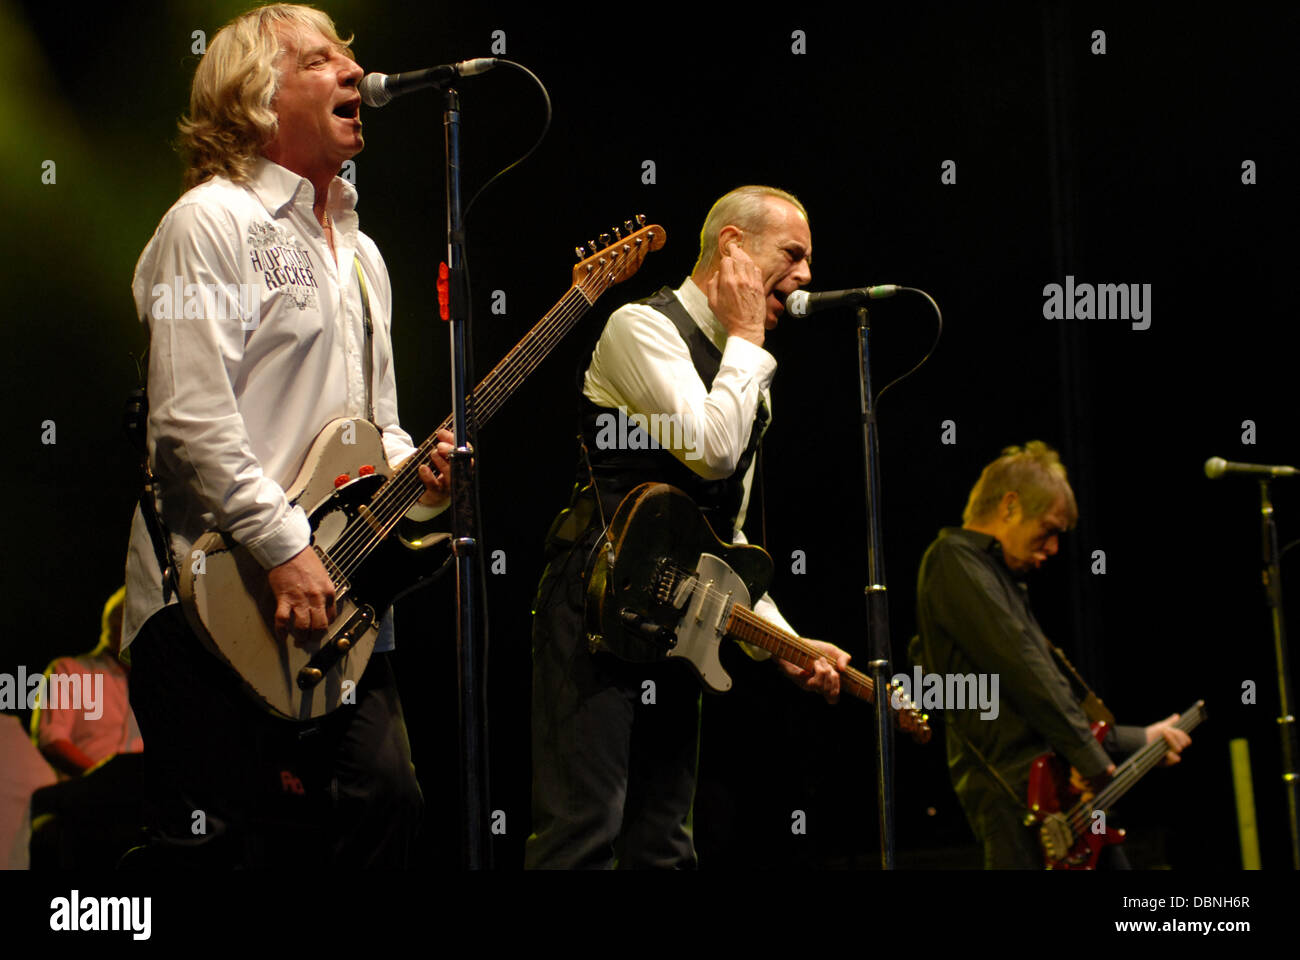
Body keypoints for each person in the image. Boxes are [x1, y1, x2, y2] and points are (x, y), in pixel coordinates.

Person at [123, 3, 453, 867]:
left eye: (351, 57)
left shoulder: (362, 253)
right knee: (222, 843)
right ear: (256, 98)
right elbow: (188, 416)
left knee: (388, 804)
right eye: (320, 61)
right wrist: (281, 546)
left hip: (333, 606)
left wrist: (413, 467)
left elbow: (372, 429)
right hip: (212, 599)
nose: (353, 73)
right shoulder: (211, 221)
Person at [527, 185, 852, 869]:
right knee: (585, 833)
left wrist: (787, 645)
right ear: (734, 245)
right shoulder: (640, 329)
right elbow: (709, 445)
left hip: (672, 620)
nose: (806, 277)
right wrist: (747, 341)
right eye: (793, 255)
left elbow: (723, 542)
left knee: (664, 844)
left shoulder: (747, 370)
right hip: (593, 603)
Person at [911, 441, 1191, 869]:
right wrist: (1093, 761)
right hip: (1020, 803)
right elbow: (1026, 671)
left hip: (1063, 796)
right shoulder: (953, 560)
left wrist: (1137, 739)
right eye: (1049, 529)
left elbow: (1047, 688)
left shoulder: (1000, 578)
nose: (1055, 548)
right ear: (1009, 506)